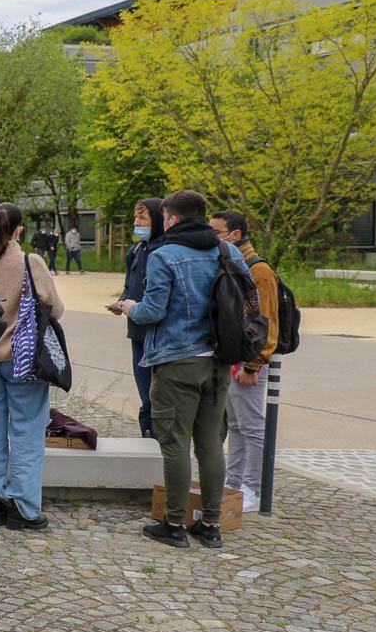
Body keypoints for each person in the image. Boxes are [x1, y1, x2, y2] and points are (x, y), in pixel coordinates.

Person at [117, 189, 247, 550]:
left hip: (178, 361)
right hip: (219, 360)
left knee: (174, 443)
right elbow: (247, 301)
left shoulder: (165, 255)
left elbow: (152, 312)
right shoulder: (228, 251)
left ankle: (173, 524)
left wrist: (128, 306)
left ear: (171, 219)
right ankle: (210, 525)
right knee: (209, 444)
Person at [0, 203, 63, 531]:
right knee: (28, 431)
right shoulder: (30, 262)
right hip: (23, 361)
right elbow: (56, 310)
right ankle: (23, 506)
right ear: (19, 229)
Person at [212, 209, 280, 513]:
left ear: (235, 234)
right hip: (234, 358)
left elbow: (266, 321)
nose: (213, 237)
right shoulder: (232, 264)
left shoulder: (259, 271)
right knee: (237, 424)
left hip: (250, 361)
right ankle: (235, 481)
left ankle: (253, 487)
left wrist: (254, 363)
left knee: (251, 426)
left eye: (217, 232)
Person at [114, 199, 166, 437]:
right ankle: (147, 432)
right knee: (145, 392)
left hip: (159, 334)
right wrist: (122, 302)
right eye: (135, 217)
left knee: (160, 396)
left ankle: (159, 438)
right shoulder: (136, 251)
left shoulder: (164, 251)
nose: (137, 223)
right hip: (137, 332)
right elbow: (129, 286)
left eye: (143, 218)